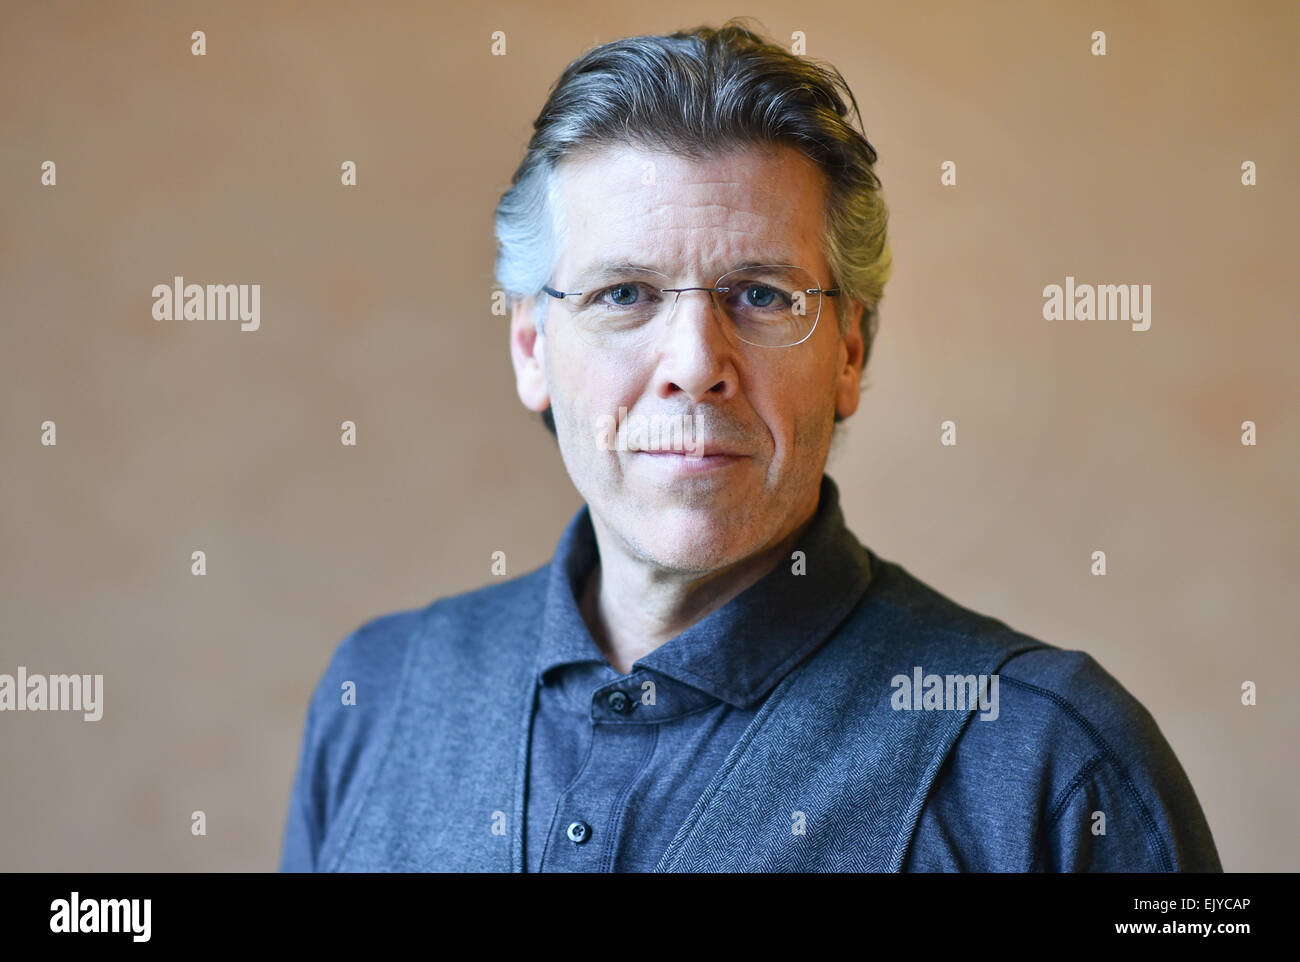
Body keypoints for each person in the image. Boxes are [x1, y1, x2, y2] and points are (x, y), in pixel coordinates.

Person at [278, 20, 1221, 872]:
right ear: (531, 346)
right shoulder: (380, 692)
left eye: (763, 294)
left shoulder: (1049, 761)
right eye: (624, 294)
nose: (696, 364)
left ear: (850, 351)